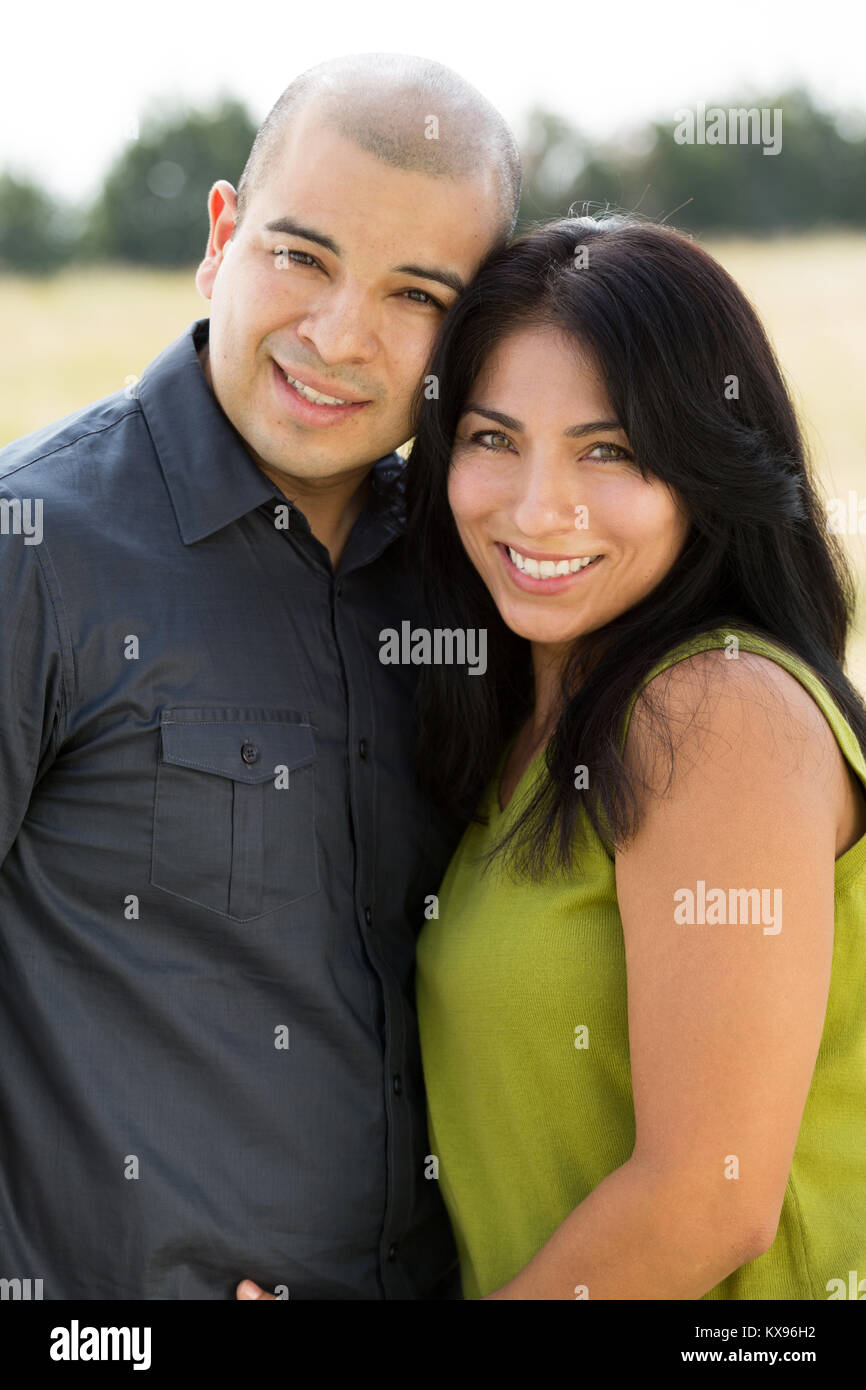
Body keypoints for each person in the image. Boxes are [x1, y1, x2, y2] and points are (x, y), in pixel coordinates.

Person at [0, 52, 519, 1299]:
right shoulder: (37, 551)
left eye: (415, 295)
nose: (338, 337)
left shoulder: (477, 576)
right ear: (222, 234)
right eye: (302, 256)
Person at [411, 214, 866, 1300]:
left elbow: (702, 1199)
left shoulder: (714, 707)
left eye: (607, 450)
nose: (536, 507)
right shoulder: (525, 719)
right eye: (491, 438)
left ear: (701, 470)